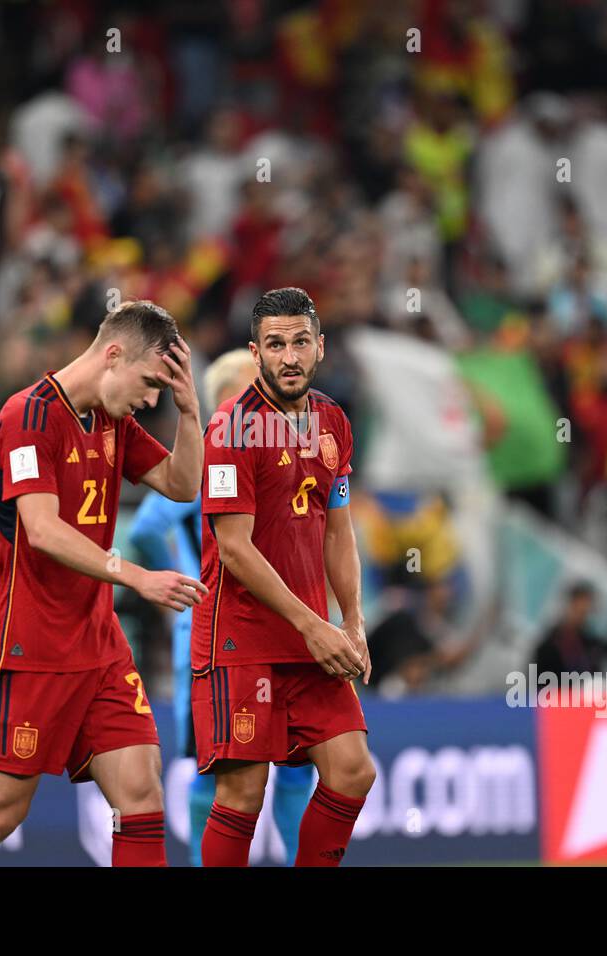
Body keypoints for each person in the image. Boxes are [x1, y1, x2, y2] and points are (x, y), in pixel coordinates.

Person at [0, 300, 209, 867]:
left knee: (141, 792)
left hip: (98, 646)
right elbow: (43, 530)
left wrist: (189, 410)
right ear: (113, 355)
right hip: (32, 647)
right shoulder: (25, 417)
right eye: (150, 383)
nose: (151, 400)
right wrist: (137, 578)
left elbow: (183, 484)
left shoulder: (115, 422)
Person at [192, 287, 374, 867]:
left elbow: (337, 532)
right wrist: (313, 625)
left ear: (320, 347)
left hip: (312, 639)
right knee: (243, 793)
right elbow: (235, 547)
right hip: (240, 640)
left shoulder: (332, 423)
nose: (289, 356)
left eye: (300, 342)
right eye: (275, 345)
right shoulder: (232, 428)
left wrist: (352, 620)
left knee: (352, 770)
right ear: (256, 352)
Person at [128, 347, 315, 865]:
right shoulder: (211, 454)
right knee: (222, 766)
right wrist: (186, 583)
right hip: (219, 635)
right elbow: (144, 532)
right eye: (259, 380)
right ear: (229, 397)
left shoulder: (283, 450)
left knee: (296, 764)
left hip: (283, 629)